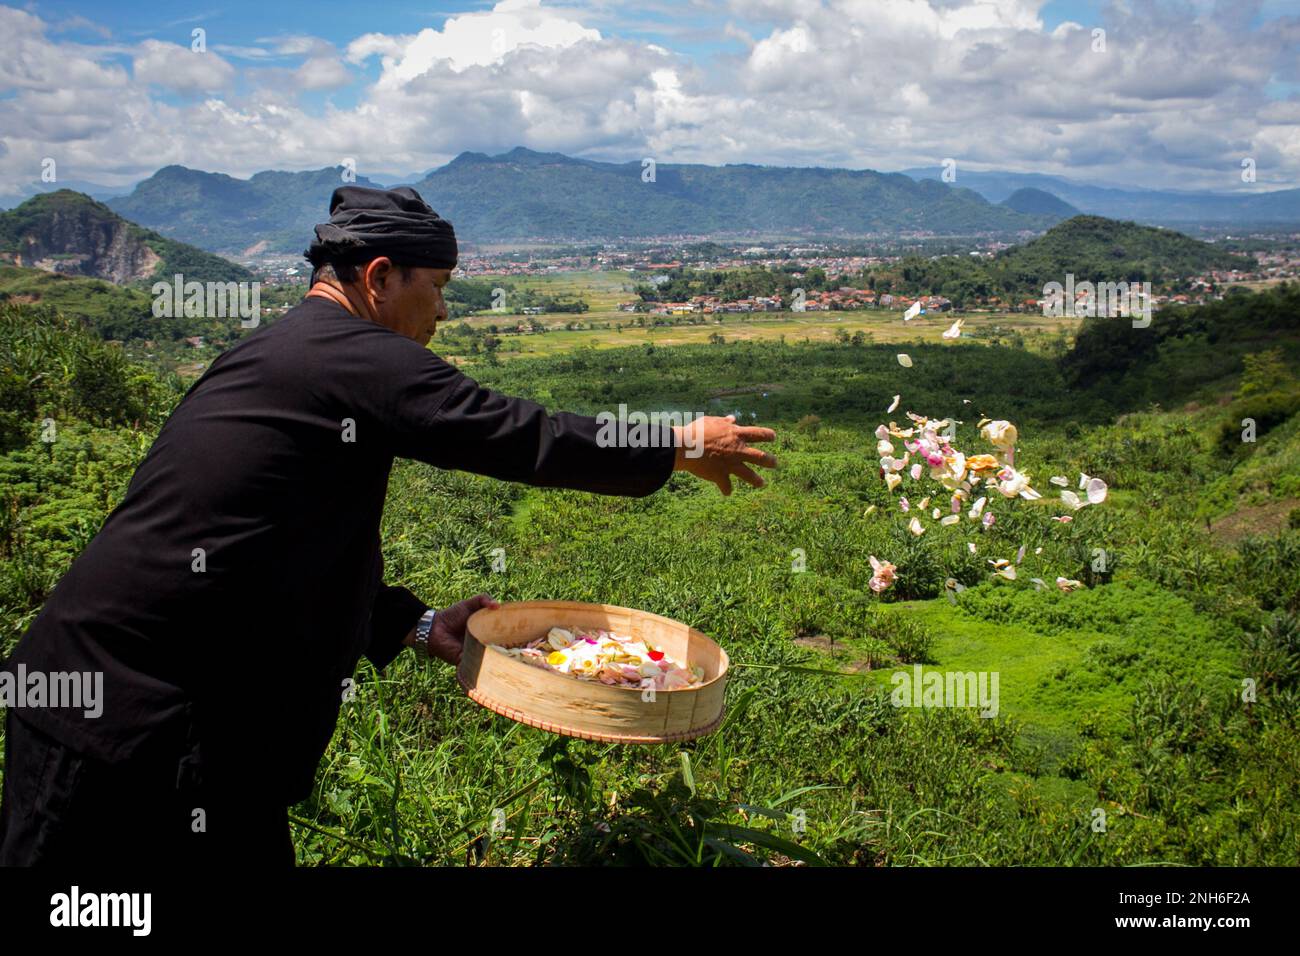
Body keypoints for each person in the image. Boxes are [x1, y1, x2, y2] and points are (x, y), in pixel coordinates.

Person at [0, 185, 777, 866]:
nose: (443, 309)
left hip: (175, 734)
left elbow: (277, 546)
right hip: (122, 733)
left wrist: (414, 623)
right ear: (379, 279)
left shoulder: (282, 354)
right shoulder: (353, 355)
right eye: (436, 287)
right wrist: (674, 443)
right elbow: (514, 433)